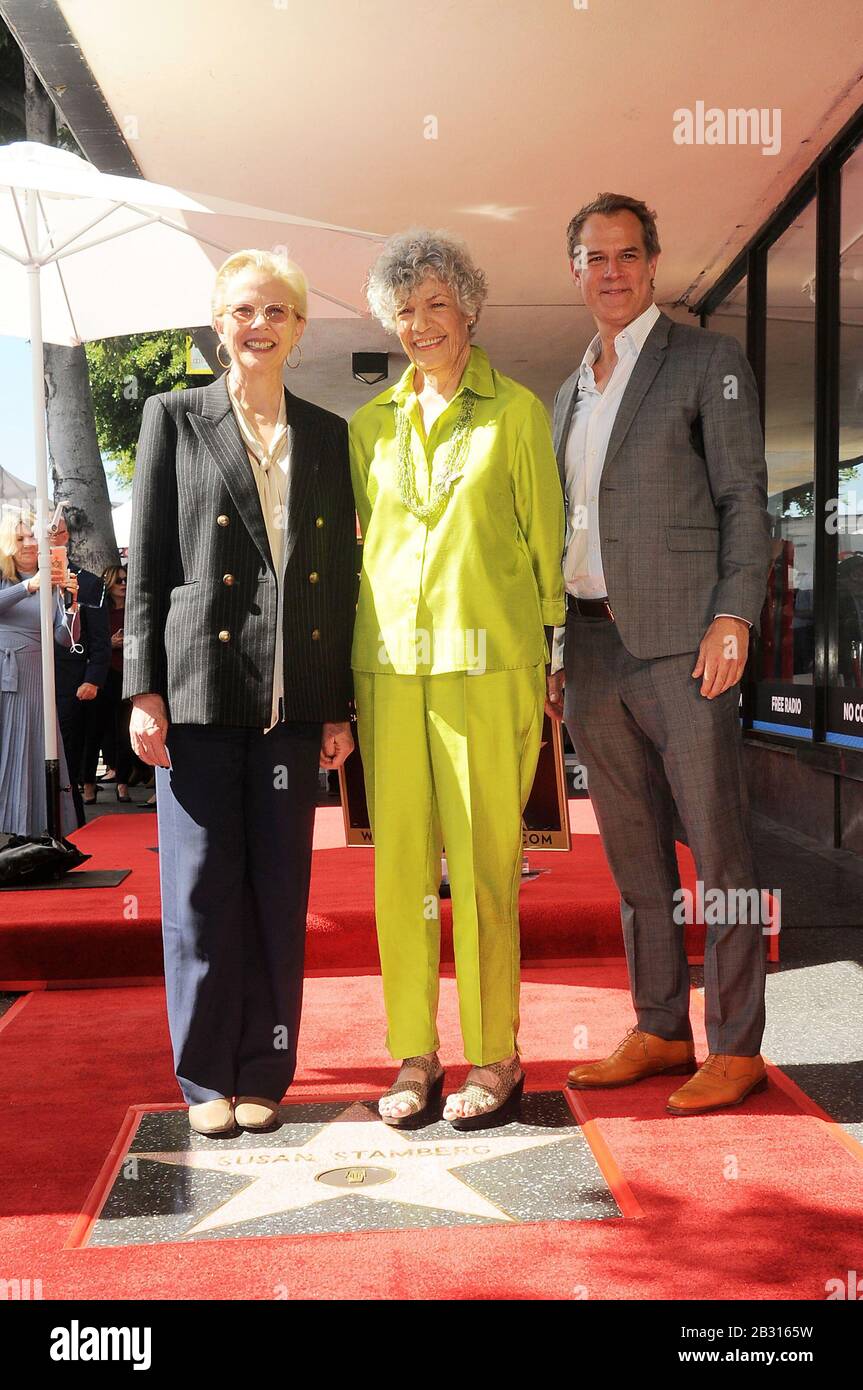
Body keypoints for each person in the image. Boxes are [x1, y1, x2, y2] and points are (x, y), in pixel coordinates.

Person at [124, 250, 356, 1136]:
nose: (257, 325)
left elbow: (337, 574)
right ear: (217, 324)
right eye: (240, 311)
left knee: (277, 893)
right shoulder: (172, 419)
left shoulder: (328, 434)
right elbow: (148, 560)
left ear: (298, 328)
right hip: (198, 692)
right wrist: (145, 688)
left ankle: (265, 1069)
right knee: (196, 895)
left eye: (275, 312)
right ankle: (204, 1078)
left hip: (290, 700)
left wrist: (333, 703)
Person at [548, 193, 772, 1115]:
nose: (613, 271)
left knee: (718, 853)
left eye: (629, 255)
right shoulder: (565, 392)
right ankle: (659, 1027)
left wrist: (736, 617)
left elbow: (744, 499)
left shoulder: (706, 362)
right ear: (575, 271)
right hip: (592, 648)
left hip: (686, 646)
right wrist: (558, 651)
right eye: (595, 257)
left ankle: (736, 1044)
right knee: (635, 858)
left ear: (652, 263)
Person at [350, 230, 565, 1130]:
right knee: (399, 870)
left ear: (469, 308)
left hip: (489, 667)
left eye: (436, 304)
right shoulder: (367, 427)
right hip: (392, 671)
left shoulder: (515, 412)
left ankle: (496, 1055)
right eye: (404, 310)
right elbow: (363, 548)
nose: (420, 323)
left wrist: (552, 656)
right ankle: (414, 1054)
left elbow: (544, 543)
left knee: (483, 871)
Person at [0, 507, 78, 838]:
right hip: (5, 671)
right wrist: (28, 586)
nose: (29, 543)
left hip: (35, 677)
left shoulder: (54, 581)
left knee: (35, 753)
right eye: (20, 537)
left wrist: (72, 604)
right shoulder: (9, 580)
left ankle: (35, 833)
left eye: (32, 536)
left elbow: (65, 638)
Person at [50, 512, 110, 826]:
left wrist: (93, 678)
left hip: (71, 683)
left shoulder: (88, 582)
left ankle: (72, 824)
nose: (47, 537)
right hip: (30, 680)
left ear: (65, 536)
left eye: (54, 531)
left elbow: (100, 638)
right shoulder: (18, 581)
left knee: (69, 757)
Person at [82, 564, 134, 804]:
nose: (123, 585)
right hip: (102, 676)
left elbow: (138, 645)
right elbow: (91, 641)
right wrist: (109, 644)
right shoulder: (99, 610)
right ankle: (88, 784)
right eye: (118, 581)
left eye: (125, 580)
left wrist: (129, 646)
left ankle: (123, 784)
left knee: (124, 732)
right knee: (93, 731)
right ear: (109, 584)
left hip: (127, 675)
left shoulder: (134, 611)